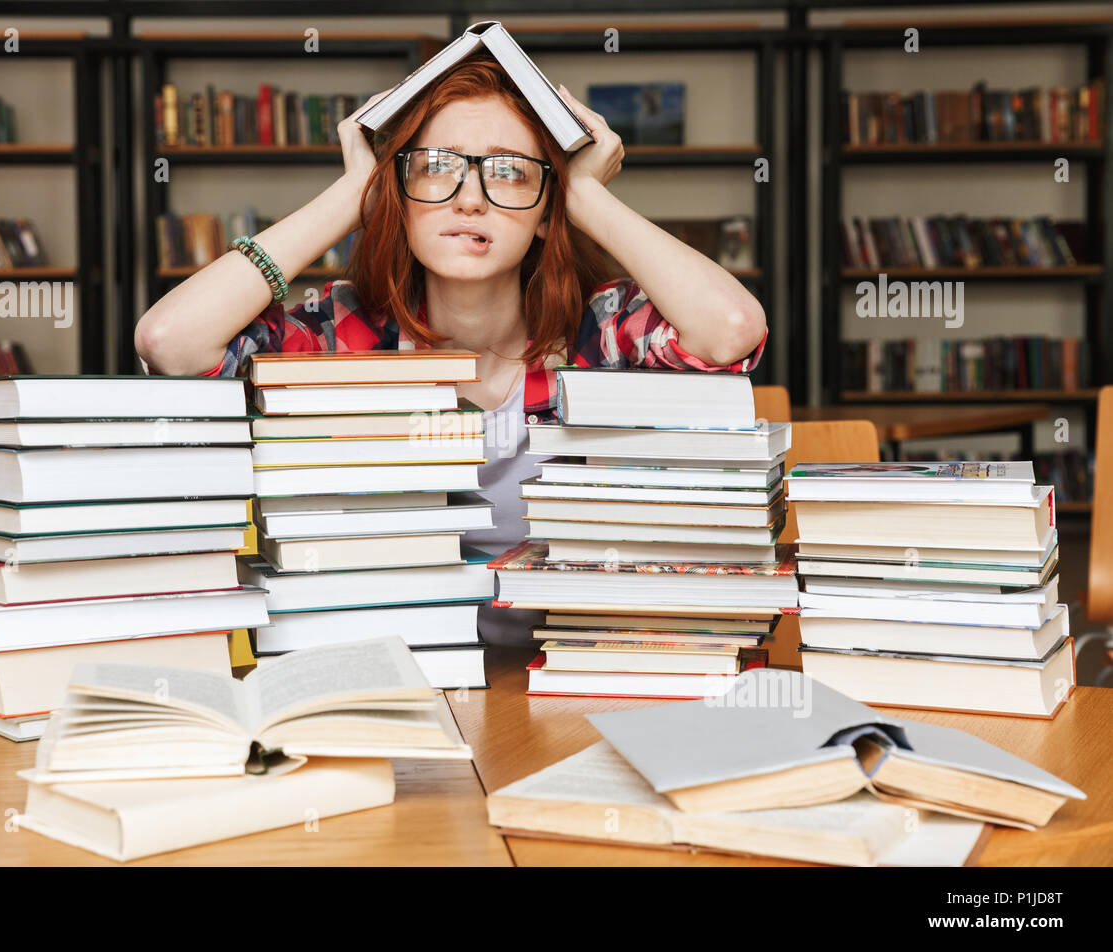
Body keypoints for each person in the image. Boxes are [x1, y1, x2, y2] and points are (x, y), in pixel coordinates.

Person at [134, 54, 768, 647]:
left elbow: (732, 331)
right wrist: (353, 191)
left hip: (578, 672)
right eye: (436, 166)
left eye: (510, 172)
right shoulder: (343, 331)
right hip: (393, 670)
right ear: (398, 197)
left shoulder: (600, 329)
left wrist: (589, 199)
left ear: (549, 209)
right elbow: (171, 343)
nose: (469, 198)